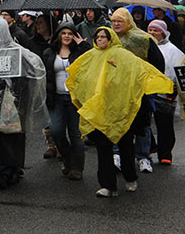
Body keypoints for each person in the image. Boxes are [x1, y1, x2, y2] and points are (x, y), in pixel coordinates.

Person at [67, 26, 173, 197]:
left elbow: (140, 72)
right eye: (98, 36)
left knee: (125, 147)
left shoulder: (124, 56)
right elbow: (77, 72)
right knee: (103, 148)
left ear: (111, 39)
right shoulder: (91, 56)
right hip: (100, 111)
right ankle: (108, 185)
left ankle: (130, 177)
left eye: (104, 36)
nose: (100, 39)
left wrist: (161, 83)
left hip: (122, 110)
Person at [0, 18, 48, 190]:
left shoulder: (16, 50)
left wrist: (16, 83)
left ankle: (8, 169)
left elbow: (34, 67)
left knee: (10, 133)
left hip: (11, 99)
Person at [110, 8, 163, 173]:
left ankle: (143, 157)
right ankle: (117, 154)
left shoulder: (143, 39)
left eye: (120, 21)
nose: (116, 24)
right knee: (118, 122)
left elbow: (157, 63)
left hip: (140, 89)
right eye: (114, 21)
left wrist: (150, 84)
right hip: (117, 89)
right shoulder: (109, 39)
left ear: (128, 22)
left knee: (142, 124)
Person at [43, 18, 89, 180]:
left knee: (76, 134)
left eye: (70, 33)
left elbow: (93, 59)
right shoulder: (49, 52)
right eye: (64, 33)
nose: (67, 36)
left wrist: (82, 44)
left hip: (74, 99)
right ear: (58, 35)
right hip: (56, 99)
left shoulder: (79, 52)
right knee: (56, 131)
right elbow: (44, 75)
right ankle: (69, 159)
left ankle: (77, 168)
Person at [146, 19, 183, 165]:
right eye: (150, 30)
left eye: (155, 30)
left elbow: (179, 70)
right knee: (143, 122)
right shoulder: (144, 47)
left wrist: (174, 89)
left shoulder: (173, 50)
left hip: (166, 92)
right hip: (147, 90)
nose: (152, 33)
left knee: (165, 125)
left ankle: (165, 154)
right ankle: (151, 146)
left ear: (163, 32)